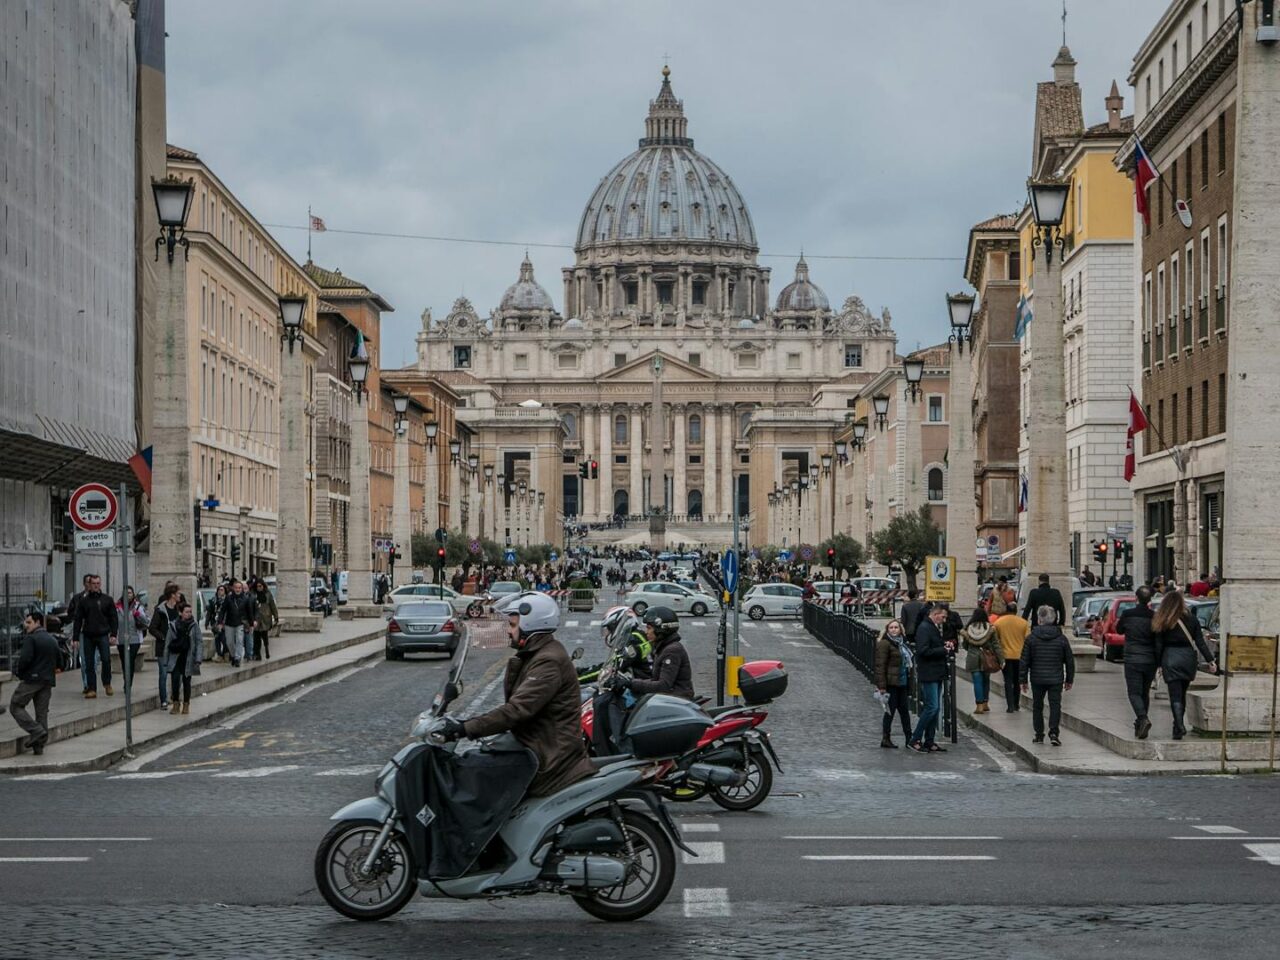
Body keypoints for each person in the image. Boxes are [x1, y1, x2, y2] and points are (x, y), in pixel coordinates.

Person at [440, 593, 594, 797]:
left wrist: (464, 728)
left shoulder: (548, 661)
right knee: (478, 760)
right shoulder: (539, 653)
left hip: (549, 756)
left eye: (513, 625)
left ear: (530, 625)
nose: (508, 631)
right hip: (537, 744)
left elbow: (517, 710)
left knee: (475, 773)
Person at [1152, 591, 1217, 740]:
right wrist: (1210, 660)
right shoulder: (1192, 619)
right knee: (1182, 693)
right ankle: (1177, 726)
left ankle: (1179, 724)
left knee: (1174, 694)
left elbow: (1158, 645)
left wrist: (1158, 664)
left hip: (1170, 657)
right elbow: (1200, 642)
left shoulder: (1162, 620)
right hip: (1188, 658)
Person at [1019, 606, 1075, 746]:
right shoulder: (1062, 639)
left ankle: (1039, 734)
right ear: (1054, 619)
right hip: (1056, 678)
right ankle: (1054, 732)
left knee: (1037, 706)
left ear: (1039, 619)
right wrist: (1069, 679)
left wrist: (1023, 680)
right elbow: (1069, 661)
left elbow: (1024, 661)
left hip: (1037, 678)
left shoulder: (1031, 638)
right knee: (1055, 705)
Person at [8, 612, 59, 755]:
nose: (25, 625)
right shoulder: (51, 639)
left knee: (15, 705)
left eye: (29, 622)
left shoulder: (31, 639)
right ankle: (39, 747)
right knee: (41, 713)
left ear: (37, 622)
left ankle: (36, 731)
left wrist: (21, 674)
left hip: (32, 679)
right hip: (47, 680)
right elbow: (60, 660)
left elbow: (25, 659)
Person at [621, 606, 695, 701]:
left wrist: (631, 684)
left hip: (677, 700)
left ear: (661, 629)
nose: (646, 632)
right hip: (668, 698)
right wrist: (631, 682)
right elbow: (655, 680)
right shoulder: (662, 648)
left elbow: (663, 685)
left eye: (649, 628)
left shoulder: (672, 651)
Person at [909, 605, 951, 753]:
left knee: (936, 708)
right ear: (935, 614)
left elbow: (932, 646)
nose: (944, 620)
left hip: (936, 672)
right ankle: (915, 738)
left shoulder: (932, 627)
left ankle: (929, 740)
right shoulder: (924, 627)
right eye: (943, 617)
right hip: (929, 673)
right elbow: (923, 650)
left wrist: (943, 645)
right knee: (931, 707)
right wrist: (943, 650)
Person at [1118, 586, 1159, 739]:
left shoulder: (1127, 614)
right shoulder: (1154, 616)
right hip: (1150, 659)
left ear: (1136, 598)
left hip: (1133, 658)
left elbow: (1119, 630)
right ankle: (1141, 723)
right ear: (1150, 600)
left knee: (1134, 692)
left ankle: (1142, 718)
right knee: (1144, 692)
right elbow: (1157, 638)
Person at [72, 574, 117, 699]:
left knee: (106, 660)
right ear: (89, 585)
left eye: (98, 583)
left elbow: (113, 618)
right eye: (93, 583)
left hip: (103, 635)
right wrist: (75, 638)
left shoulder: (107, 599)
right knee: (89, 663)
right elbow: (78, 619)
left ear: (100, 584)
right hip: (88, 635)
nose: (96, 586)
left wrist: (113, 634)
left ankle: (107, 682)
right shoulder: (84, 601)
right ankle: (92, 688)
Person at [874, 619, 913, 748]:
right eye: (891, 627)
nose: (894, 630)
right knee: (890, 712)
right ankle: (886, 738)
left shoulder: (902, 644)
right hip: (891, 684)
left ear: (901, 629)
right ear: (887, 630)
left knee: (904, 712)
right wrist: (882, 686)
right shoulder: (884, 644)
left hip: (902, 682)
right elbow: (880, 666)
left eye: (896, 627)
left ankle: (909, 738)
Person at [962, 607, 1004, 714]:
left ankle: (979, 705)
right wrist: (1001, 659)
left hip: (973, 658)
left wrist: (972, 650)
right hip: (987, 658)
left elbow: (965, 645)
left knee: (977, 682)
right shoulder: (990, 628)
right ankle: (985, 703)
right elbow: (996, 645)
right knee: (986, 681)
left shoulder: (968, 629)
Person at [163, 601, 203, 715]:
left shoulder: (194, 625)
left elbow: (199, 642)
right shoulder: (173, 625)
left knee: (187, 682)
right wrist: (165, 661)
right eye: (186, 612)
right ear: (180, 613)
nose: (189, 614)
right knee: (175, 681)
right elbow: (167, 643)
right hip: (176, 657)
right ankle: (176, 703)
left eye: (190, 612)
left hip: (188, 657)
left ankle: (186, 704)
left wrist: (198, 659)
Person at [993, 606, 1031, 712]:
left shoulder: (999, 622)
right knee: (1017, 681)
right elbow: (1028, 639)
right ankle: (1016, 703)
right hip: (1019, 656)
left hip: (1005, 656)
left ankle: (1010, 706)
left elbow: (995, 640)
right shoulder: (1023, 623)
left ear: (1006, 610)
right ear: (1016, 611)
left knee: (1008, 681)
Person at [150, 584, 180, 708]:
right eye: (178, 593)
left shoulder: (179, 609)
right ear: (172, 595)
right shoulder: (160, 610)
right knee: (163, 674)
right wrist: (162, 637)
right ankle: (163, 699)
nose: (179, 596)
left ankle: (175, 696)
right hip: (163, 647)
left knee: (177, 674)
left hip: (176, 646)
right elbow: (152, 628)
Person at [116, 586, 148, 695]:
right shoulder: (117, 606)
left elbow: (146, 620)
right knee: (124, 661)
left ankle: (128, 684)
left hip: (134, 638)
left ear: (133, 594)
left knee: (130, 660)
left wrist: (137, 614)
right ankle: (126, 679)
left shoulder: (138, 606)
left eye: (130, 593)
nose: (128, 595)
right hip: (121, 639)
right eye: (126, 593)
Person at [218, 579, 257, 667]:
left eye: (239, 588)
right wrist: (220, 622)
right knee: (229, 642)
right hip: (229, 623)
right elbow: (222, 611)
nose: (238, 589)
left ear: (242, 589)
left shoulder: (246, 599)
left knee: (240, 641)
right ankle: (233, 655)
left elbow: (249, 612)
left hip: (240, 623)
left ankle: (237, 658)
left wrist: (251, 624)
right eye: (236, 588)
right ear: (233, 588)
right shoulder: (228, 598)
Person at [253, 580, 278, 660]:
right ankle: (258, 654)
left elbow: (272, 605)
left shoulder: (268, 594)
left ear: (263, 586)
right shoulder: (254, 595)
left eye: (260, 586)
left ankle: (266, 649)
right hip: (256, 618)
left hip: (265, 617)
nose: (259, 588)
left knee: (264, 635)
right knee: (256, 636)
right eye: (257, 586)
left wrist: (276, 616)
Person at [204, 584, 227, 661]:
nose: (220, 591)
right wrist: (207, 623)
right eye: (219, 590)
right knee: (217, 638)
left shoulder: (227, 601)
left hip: (225, 623)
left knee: (224, 639)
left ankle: (225, 653)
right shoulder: (213, 601)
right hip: (215, 622)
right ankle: (219, 654)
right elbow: (209, 613)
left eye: (222, 590)